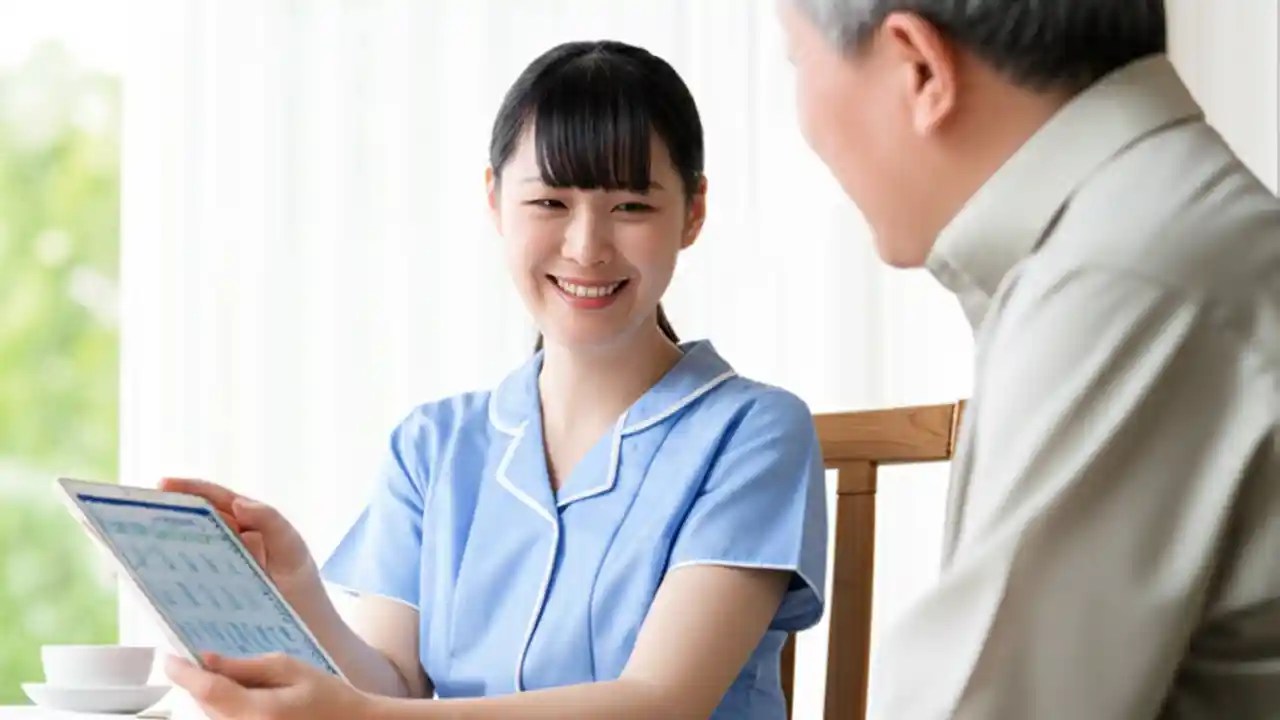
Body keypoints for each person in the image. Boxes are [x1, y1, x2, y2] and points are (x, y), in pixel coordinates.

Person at [161, 39, 827, 720]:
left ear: (693, 211)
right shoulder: (432, 445)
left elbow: (661, 702)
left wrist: (360, 718)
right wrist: (299, 588)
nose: (586, 247)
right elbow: (392, 686)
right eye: (550, 203)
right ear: (495, 199)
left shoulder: (754, 432)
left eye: (631, 206)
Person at [777, 0, 1279, 717]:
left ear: (920, 69)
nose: (803, 120)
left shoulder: (1123, 278)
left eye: (797, 60)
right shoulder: (1158, 224)